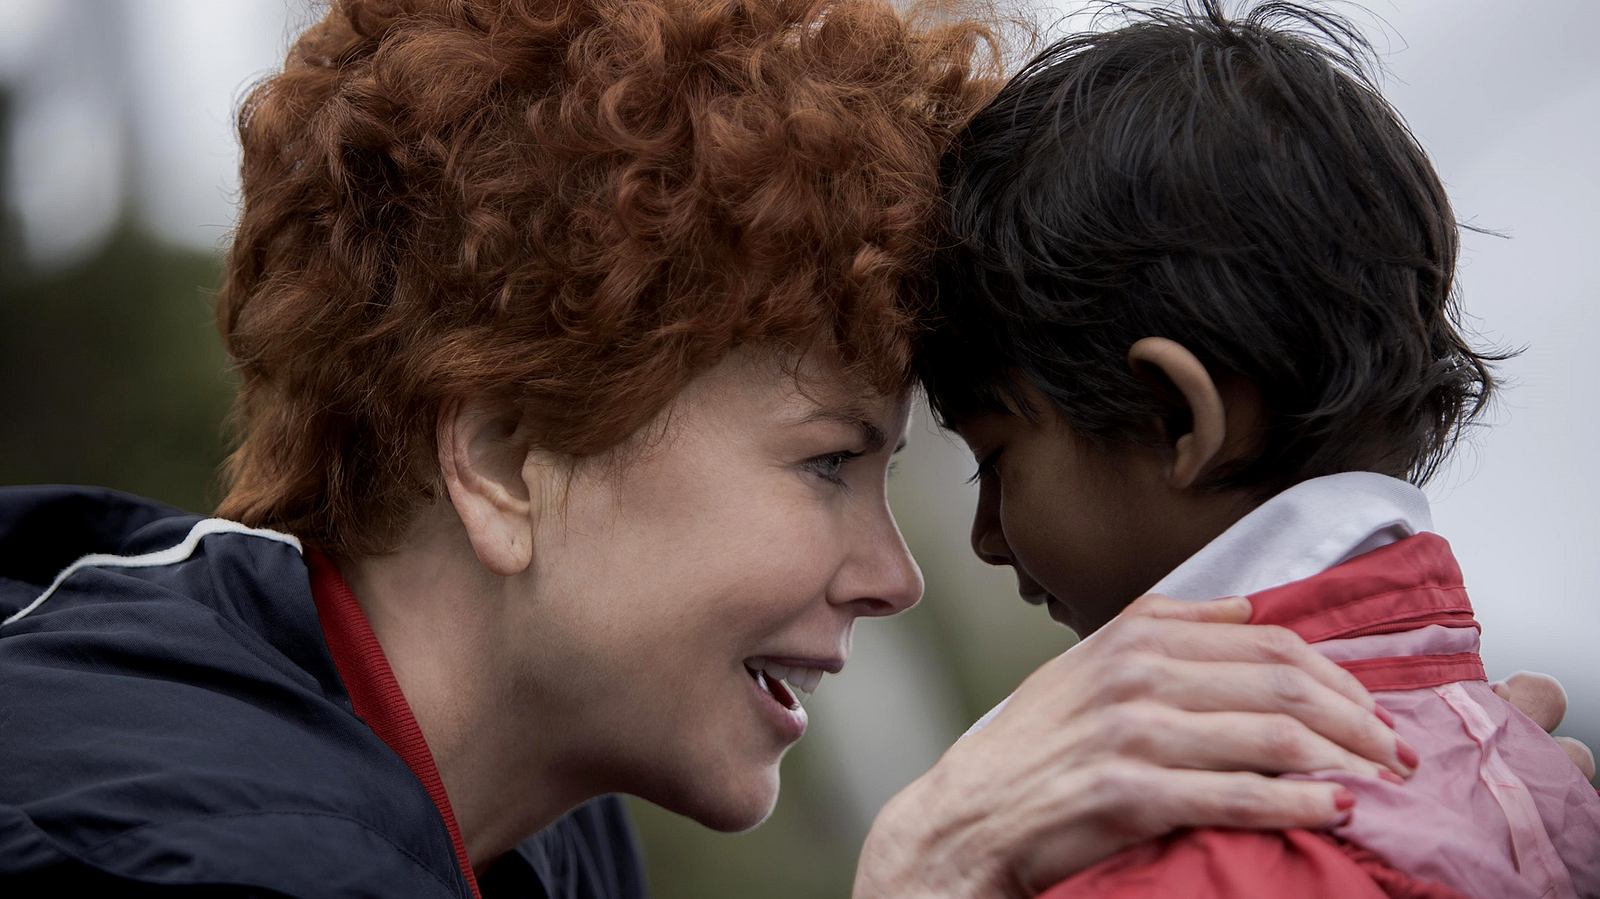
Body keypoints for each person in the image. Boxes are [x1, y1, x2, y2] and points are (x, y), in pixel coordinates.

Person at [0, 0, 1573, 896]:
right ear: (499, 457)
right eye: (830, 461)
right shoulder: (177, 856)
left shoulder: (542, 835)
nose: (899, 571)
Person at [915, 2, 1600, 896]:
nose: (986, 537)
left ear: (1177, 419)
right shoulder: (1540, 789)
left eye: (996, 461)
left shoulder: (1189, 857)